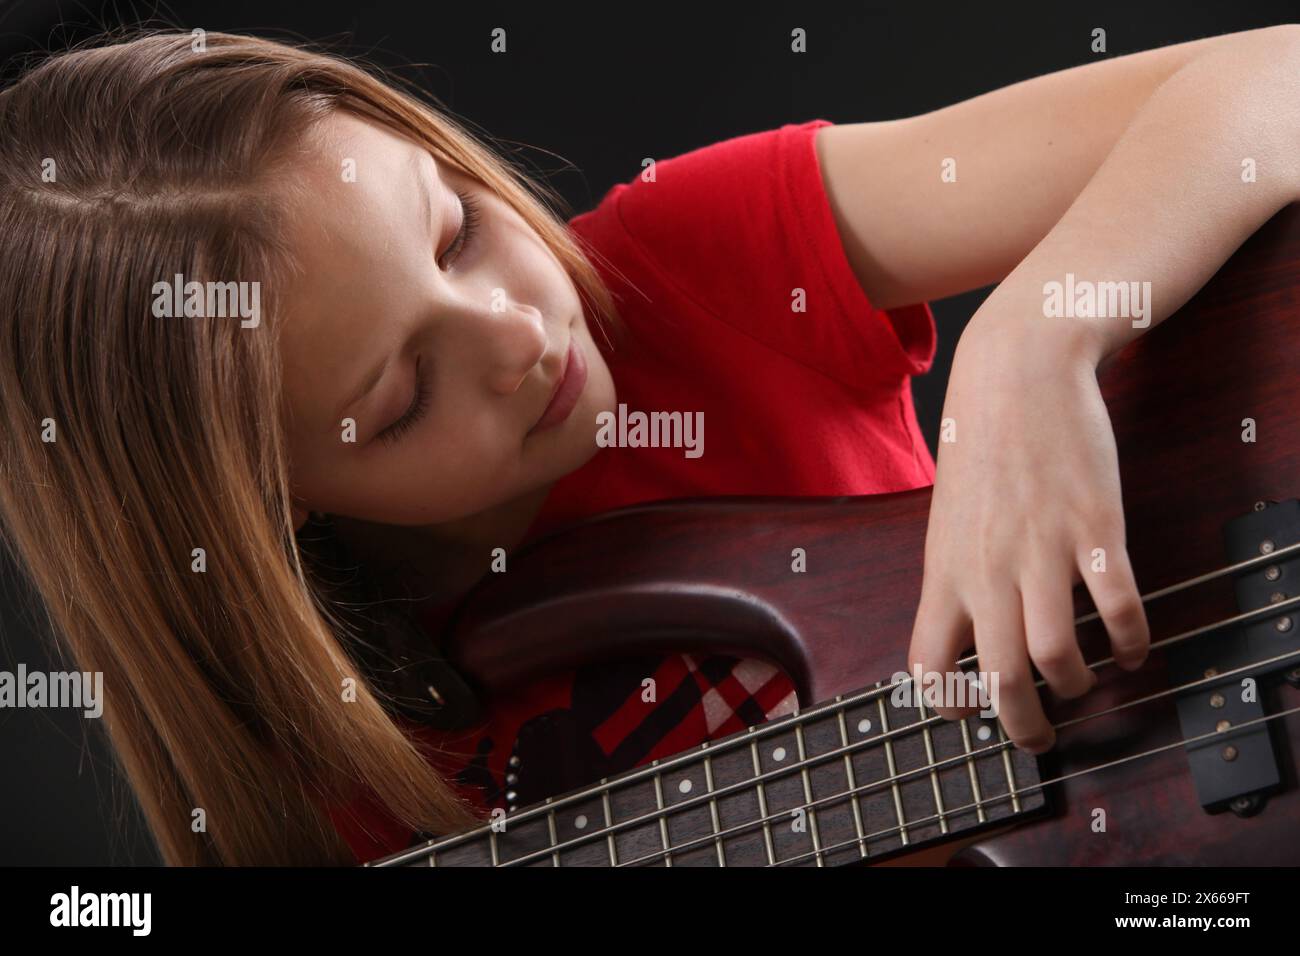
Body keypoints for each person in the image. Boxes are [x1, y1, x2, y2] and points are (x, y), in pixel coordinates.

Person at [1, 25, 1296, 865]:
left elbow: (1271, 81)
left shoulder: (686, 263)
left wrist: (1032, 345)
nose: (517, 332)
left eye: (456, 231)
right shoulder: (334, 800)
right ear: (269, 506)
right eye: (400, 397)